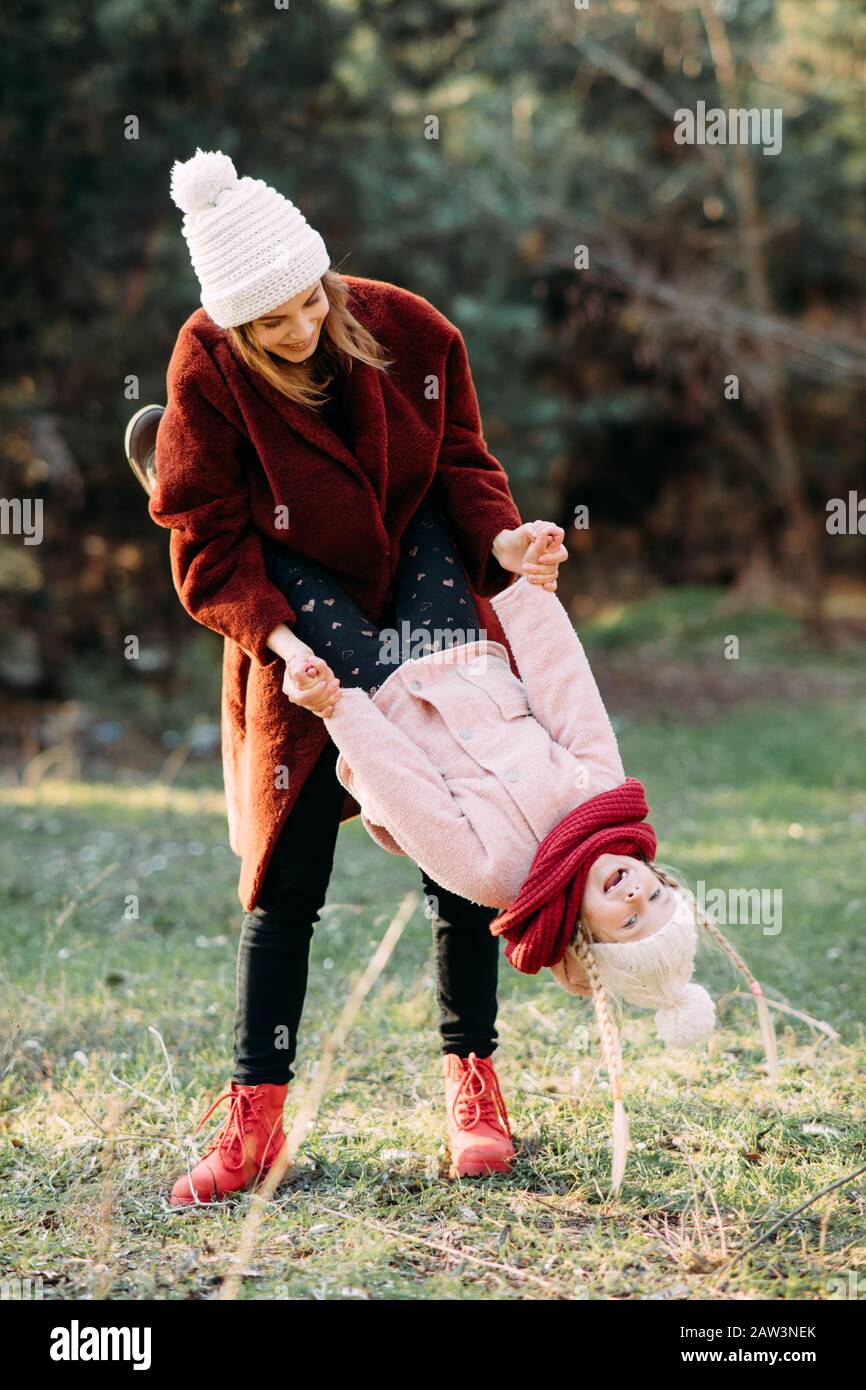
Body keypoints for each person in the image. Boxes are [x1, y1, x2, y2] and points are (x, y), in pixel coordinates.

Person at [132, 147, 569, 1206]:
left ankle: (474, 1084)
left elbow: (462, 466)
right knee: (284, 887)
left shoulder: (411, 332)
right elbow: (205, 539)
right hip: (296, 623)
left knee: (461, 848)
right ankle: (255, 1120)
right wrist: (281, 649)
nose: (293, 331)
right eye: (266, 324)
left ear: (322, 276)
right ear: (231, 325)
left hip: (424, 602)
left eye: (303, 306)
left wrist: (505, 546)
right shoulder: (206, 363)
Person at [275, 527, 787, 1195]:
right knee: (413, 516)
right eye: (659, 899)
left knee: (288, 565)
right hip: (459, 650)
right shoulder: (604, 796)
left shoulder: (490, 876)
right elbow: (568, 697)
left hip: (380, 696)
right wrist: (527, 592)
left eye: (629, 923)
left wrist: (338, 708)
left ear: (584, 937)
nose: (638, 899)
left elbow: (409, 791)